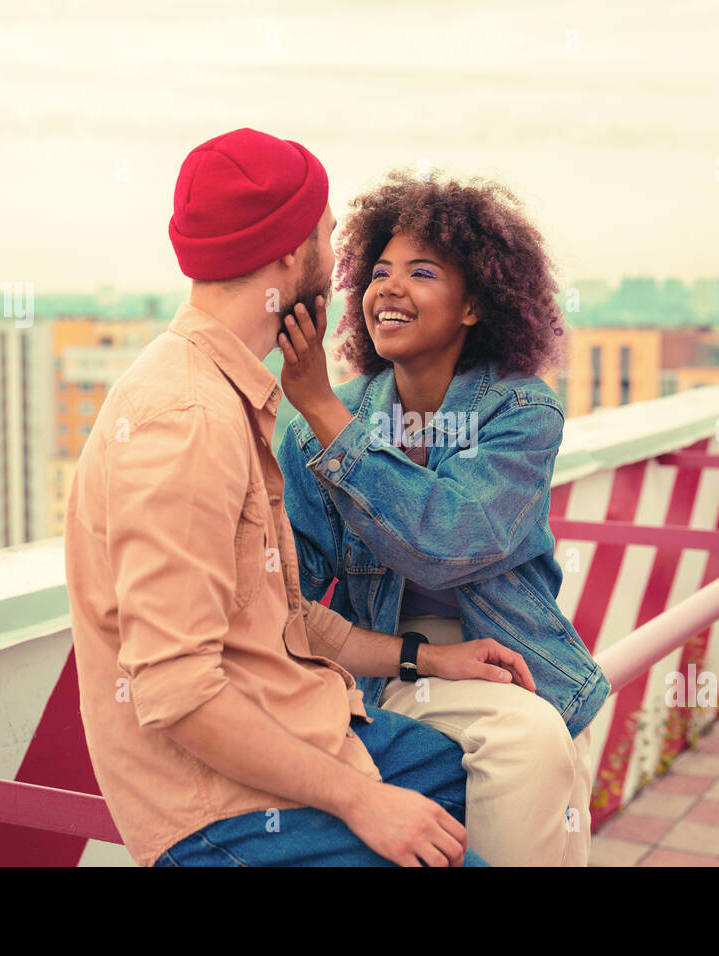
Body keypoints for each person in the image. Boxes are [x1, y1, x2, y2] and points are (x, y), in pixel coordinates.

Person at [64, 129, 535, 867]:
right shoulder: (184, 420)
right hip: (221, 812)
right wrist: (363, 801)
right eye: (326, 233)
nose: (337, 253)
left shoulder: (225, 394)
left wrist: (427, 659)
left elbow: (280, 619)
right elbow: (179, 693)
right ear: (288, 254)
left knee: (484, 777)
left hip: (293, 722)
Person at [275, 169, 611, 866]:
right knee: (530, 744)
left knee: (540, 753)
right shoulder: (318, 426)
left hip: (513, 659)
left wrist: (330, 419)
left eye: (421, 272)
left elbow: (449, 542)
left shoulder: (521, 411)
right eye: (379, 272)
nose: (388, 289)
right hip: (388, 664)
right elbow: (289, 595)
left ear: (473, 306)